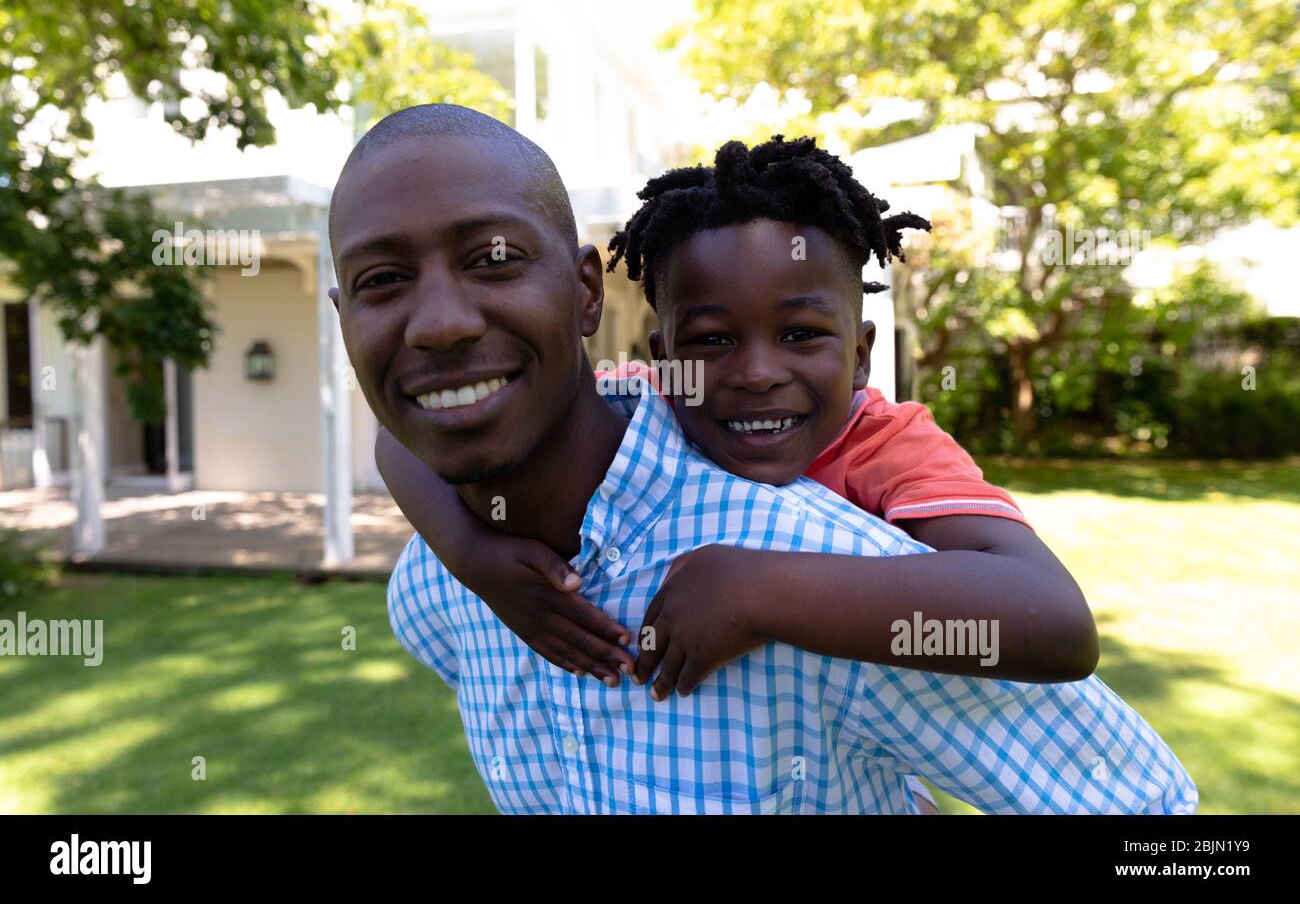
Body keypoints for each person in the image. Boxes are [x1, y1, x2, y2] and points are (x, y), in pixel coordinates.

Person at [330, 103, 1196, 814]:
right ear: (666, 348)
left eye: (493, 258)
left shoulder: (857, 516)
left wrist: (758, 588)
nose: (754, 374)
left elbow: (1061, 642)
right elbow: (402, 444)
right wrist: (475, 559)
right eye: (381, 280)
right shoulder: (445, 582)